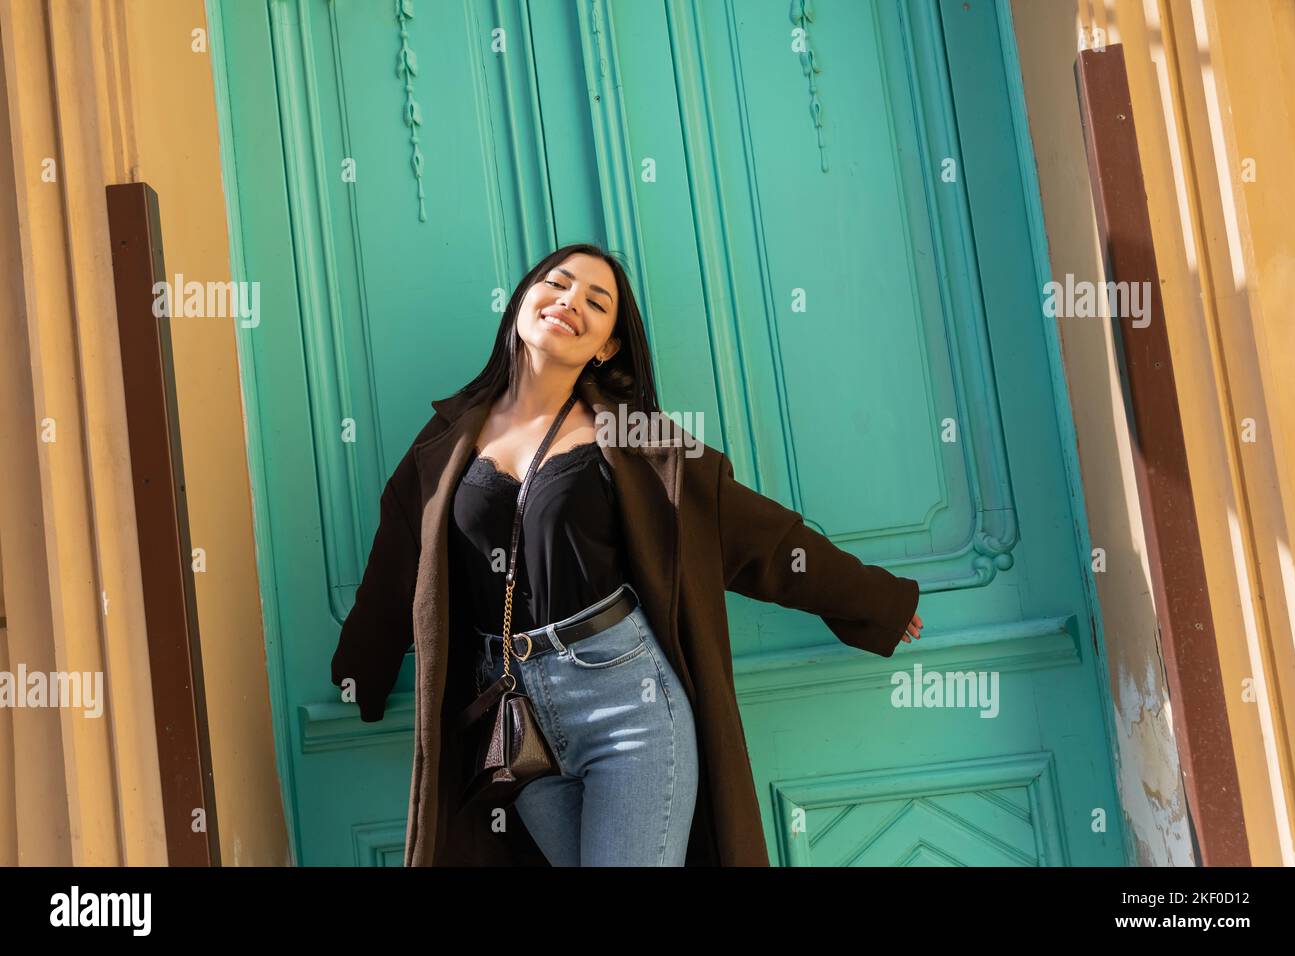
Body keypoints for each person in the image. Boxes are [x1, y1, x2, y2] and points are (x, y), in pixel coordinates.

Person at [332, 242, 924, 866]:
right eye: (556, 285)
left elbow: (759, 536)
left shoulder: (634, 441)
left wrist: (875, 601)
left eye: (596, 300)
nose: (569, 303)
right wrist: (359, 674)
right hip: (514, 723)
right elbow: (398, 562)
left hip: (626, 706)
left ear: (609, 344)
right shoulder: (446, 438)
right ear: (521, 304)